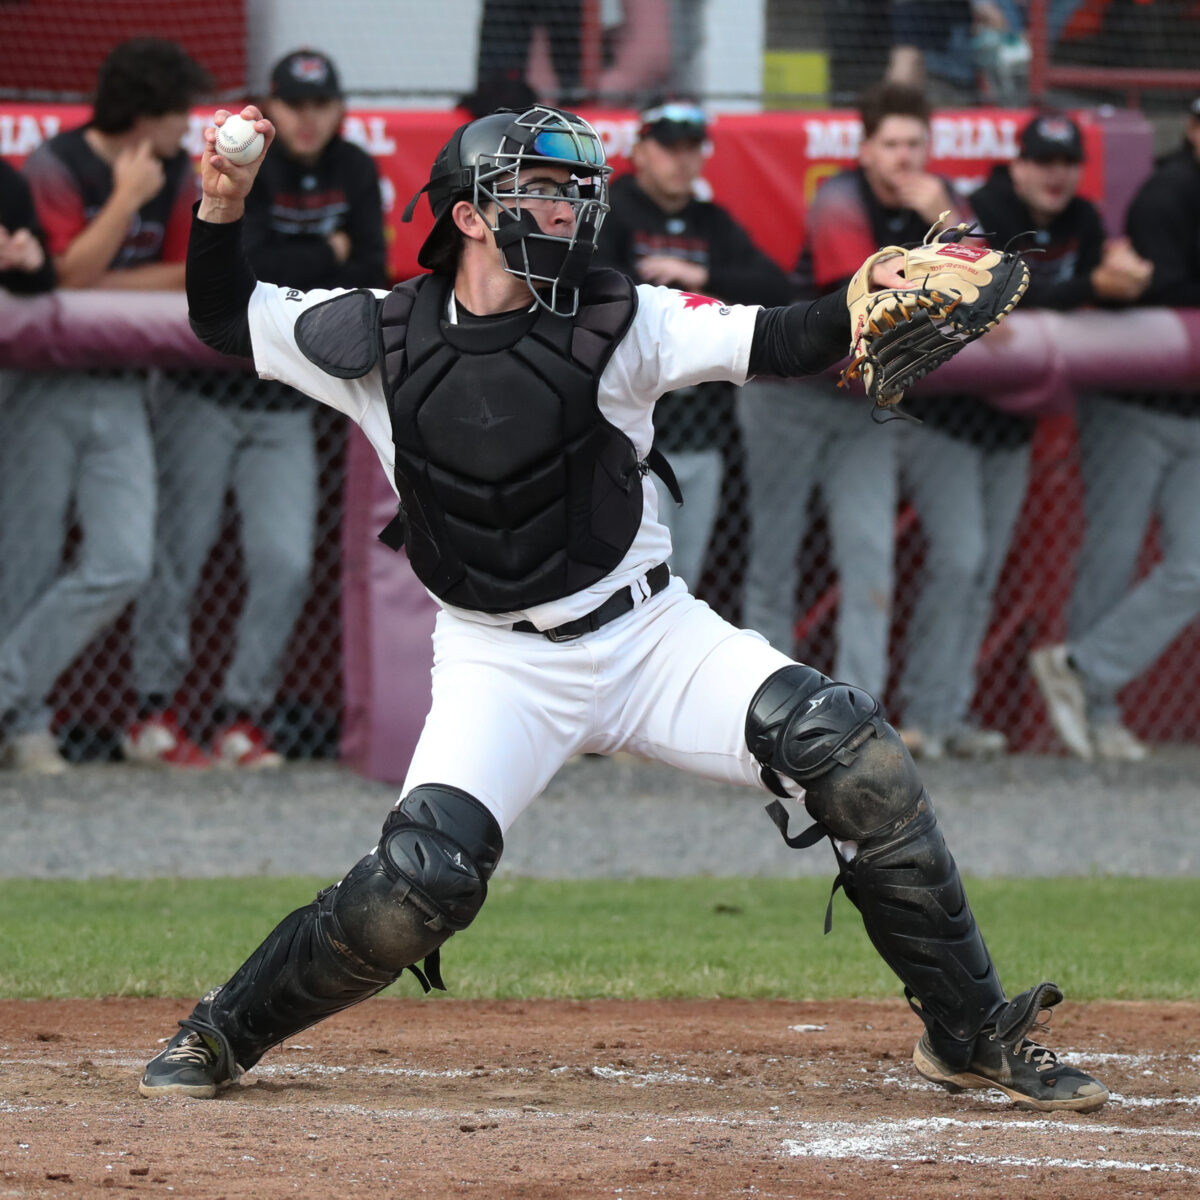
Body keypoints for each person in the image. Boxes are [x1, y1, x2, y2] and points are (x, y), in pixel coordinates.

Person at [136, 101, 1107, 1116]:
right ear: (469, 216)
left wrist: (872, 290)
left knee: (848, 747)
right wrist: (221, 203)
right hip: (497, 666)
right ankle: (220, 1031)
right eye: (538, 192)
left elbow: (782, 339)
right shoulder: (380, 333)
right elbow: (222, 316)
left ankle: (968, 1034)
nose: (565, 211)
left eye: (572, 192)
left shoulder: (620, 317)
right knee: (419, 885)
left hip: (650, 638)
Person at [125, 49, 388, 770]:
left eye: (320, 104)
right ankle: (152, 710)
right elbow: (248, 268)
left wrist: (308, 257)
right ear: (273, 103)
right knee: (177, 555)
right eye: (294, 104)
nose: (307, 119)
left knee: (285, 560)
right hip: (201, 393)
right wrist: (321, 251)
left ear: (337, 106)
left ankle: (244, 716)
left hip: (286, 403)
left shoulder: (355, 169)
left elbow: (368, 271)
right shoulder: (252, 160)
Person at [900, 112, 1151, 761]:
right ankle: (921, 715)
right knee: (958, 560)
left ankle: (950, 717)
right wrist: (1086, 287)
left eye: (1067, 163)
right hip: (948, 420)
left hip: (1013, 428)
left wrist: (1122, 280)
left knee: (982, 571)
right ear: (1019, 163)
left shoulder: (1084, 219)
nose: (1056, 175)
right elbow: (990, 287)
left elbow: (1104, 285)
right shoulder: (986, 206)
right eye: (1043, 161)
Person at [0, 38, 211, 775]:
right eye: (176, 113)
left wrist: (101, 280)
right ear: (142, 114)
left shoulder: (181, 171)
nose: (184, 131)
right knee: (22, 562)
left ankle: (5, 691)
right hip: (42, 383)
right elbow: (59, 279)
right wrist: (121, 203)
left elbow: (190, 272)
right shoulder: (57, 165)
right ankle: (24, 727)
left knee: (124, 558)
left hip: (124, 382)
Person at [738, 83, 966, 728]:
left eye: (914, 144)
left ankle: (858, 722)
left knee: (870, 558)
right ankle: (763, 719)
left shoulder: (942, 201)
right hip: (790, 397)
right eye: (890, 144)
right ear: (865, 149)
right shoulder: (840, 196)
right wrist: (945, 266)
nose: (903, 157)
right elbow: (878, 298)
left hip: (864, 408)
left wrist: (945, 221)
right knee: (773, 558)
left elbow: (991, 283)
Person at [1031, 95, 1200, 762]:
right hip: (1134, 407)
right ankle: (1097, 714)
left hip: (1193, 415)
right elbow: (1163, 293)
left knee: (1192, 568)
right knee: (1114, 552)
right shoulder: (1169, 192)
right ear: (1192, 130)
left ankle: (1085, 670)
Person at [593, 98, 790, 587]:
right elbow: (595, 292)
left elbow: (776, 289)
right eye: (668, 148)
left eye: (691, 149)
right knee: (628, 580)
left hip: (704, 434)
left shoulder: (712, 222)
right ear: (640, 152)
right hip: (626, 435)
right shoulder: (609, 214)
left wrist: (697, 275)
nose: (682, 161)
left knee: (684, 580)